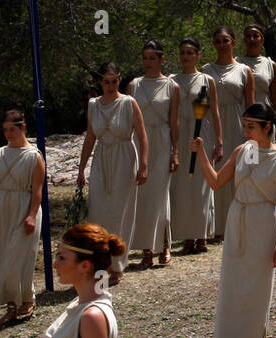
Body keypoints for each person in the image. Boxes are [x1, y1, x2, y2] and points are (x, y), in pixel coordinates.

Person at [192, 103, 276, 338]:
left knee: (255, 290)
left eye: (251, 126)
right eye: (245, 125)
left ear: (267, 127)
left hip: (262, 221)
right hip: (237, 217)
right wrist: (201, 152)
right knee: (234, 287)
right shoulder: (241, 151)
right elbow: (215, 182)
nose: (246, 131)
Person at [77, 63, 148, 283]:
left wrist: (144, 165)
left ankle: (117, 265)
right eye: (106, 82)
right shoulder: (93, 105)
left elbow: (142, 135)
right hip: (101, 159)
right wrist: (81, 169)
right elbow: (90, 138)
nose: (110, 85)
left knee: (120, 212)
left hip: (124, 157)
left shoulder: (128, 103)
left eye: (115, 81)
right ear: (100, 82)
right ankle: (101, 263)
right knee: (98, 211)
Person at [127, 41, 181, 268]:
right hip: (139, 142)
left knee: (160, 196)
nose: (148, 62)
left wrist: (175, 152)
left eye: (153, 57)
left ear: (162, 59)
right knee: (143, 197)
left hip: (162, 139)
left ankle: (165, 245)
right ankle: (147, 250)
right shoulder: (134, 85)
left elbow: (174, 121)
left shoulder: (172, 86)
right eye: (145, 57)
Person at [0, 109, 45, 322]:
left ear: (22, 128)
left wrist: (31, 216)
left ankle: (27, 300)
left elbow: (38, 190)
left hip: (25, 206)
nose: (8, 134)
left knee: (20, 257)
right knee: (4, 256)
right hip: (4, 207)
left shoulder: (34, 156)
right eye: (5, 130)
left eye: (12, 129)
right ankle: (11, 306)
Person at [171, 38, 223, 254]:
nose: (186, 57)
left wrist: (219, 141)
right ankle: (186, 237)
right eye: (183, 52)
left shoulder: (206, 80)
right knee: (182, 185)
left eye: (190, 53)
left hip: (201, 132)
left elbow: (215, 111)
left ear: (198, 55)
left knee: (201, 185)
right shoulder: (172, 81)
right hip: (181, 132)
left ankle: (201, 235)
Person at [204, 27, 255, 238]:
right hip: (212, 124)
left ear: (233, 43)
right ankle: (214, 226)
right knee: (215, 171)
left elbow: (250, 104)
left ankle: (236, 224)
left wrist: (251, 133)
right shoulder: (206, 70)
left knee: (237, 172)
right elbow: (200, 101)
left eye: (226, 40)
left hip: (236, 121)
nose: (222, 45)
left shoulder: (244, 71)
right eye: (218, 41)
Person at [239, 24, 276, 142]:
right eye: (248, 36)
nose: (252, 39)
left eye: (256, 36)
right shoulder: (237, 63)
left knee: (263, 156)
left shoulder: (270, 64)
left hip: (264, 117)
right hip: (241, 117)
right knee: (244, 157)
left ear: (262, 39)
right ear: (244, 40)